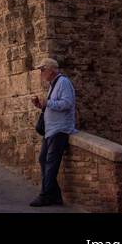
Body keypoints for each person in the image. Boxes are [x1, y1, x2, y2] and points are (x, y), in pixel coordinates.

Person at [30, 56, 76, 207]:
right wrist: (41, 104)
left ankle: (45, 195)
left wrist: (47, 102)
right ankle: (55, 196)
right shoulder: (53, 84)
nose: (41, 73)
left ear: (51, 70)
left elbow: (67, 103)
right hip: (51, 130)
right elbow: (53, 105)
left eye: (43, 70)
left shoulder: (63, 82)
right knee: (44, 160)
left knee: (50, 163)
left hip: (60, 129)